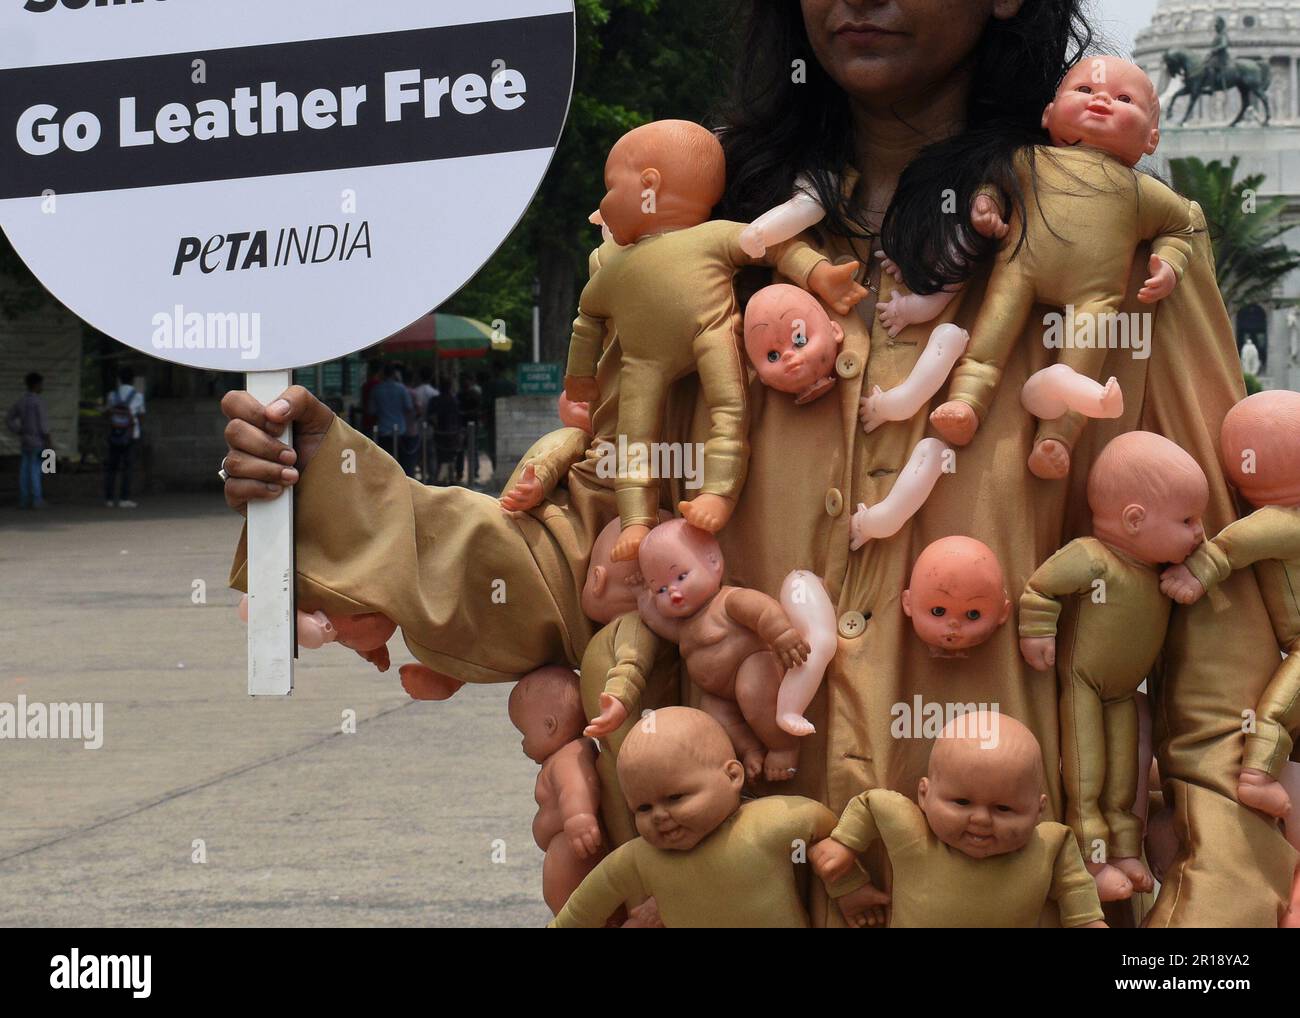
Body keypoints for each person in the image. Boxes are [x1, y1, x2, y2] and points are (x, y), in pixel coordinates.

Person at [219, 0, 1295, 927]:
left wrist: (1213, 928)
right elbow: (581, 564)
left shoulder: (1106, 235)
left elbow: (1221, 622)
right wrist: (324, 476)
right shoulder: (705, 233)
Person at [6, 371, 50, 510]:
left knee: (25, 470)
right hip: (37, 441)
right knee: (36, 470)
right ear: (36, 385)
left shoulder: (21, 401)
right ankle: (37, 499)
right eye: (41, 384)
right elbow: (43, 425)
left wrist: (18, 430)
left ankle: (24, 500)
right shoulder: (38, 402)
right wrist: (48, 439)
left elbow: (8, 419)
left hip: (25, 440)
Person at [104, 365, 144, 509]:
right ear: (133, 380)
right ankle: (124, 498)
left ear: (119, 379)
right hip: (131, 435)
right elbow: (140, 415)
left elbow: (108, 414)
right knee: (127, 467)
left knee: (112, 468)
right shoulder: (138, 396)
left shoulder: (112, 395)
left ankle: (108, 498)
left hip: (114, 434)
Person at [365, 364, 412, 465]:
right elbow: (409, 408)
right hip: (400, 430)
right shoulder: (402, 389)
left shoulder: (376, 389)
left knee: (385, 462)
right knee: (401, 462)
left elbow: (371, 411)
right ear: (394, 374)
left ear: (382, 374)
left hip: (382, 430)